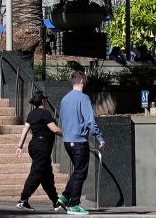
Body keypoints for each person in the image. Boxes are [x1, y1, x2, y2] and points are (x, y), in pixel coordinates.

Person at [57, 71, 102, 214]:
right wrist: (100, 137)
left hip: (67, 140)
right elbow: (90, 121)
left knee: (78, 171)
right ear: (82, 81)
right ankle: (73, 204)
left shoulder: (64, 99)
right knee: (81, 172)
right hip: (79, 141)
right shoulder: (84, 98)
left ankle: (64, 197)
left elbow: (62, 120)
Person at [14, 87, 63, 211]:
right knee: (36, 172)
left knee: (46, 175)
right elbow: (55, 129)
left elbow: (25, 130)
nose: (46, 101)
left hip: (35, 145)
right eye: (45, 99)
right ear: (42, 101)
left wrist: (20, 146)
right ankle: (23, 200)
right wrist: (69, 135)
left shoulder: (31, 114)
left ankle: (56, 201)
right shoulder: (45, 113)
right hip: (42, 147)